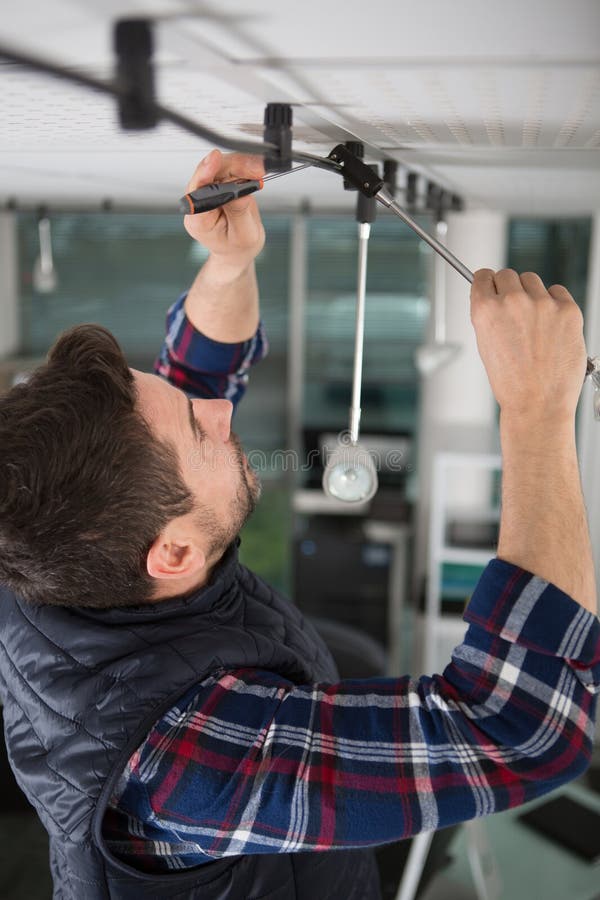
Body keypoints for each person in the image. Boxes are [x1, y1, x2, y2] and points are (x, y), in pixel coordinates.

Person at [0, 148, 598, 900]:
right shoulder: (183, 767)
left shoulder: (45, 540)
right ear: (173, 553)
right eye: (199, 428)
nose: (221, 409)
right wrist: (539, 413)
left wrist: (228, 264)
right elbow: (523, 728)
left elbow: (194, 378)